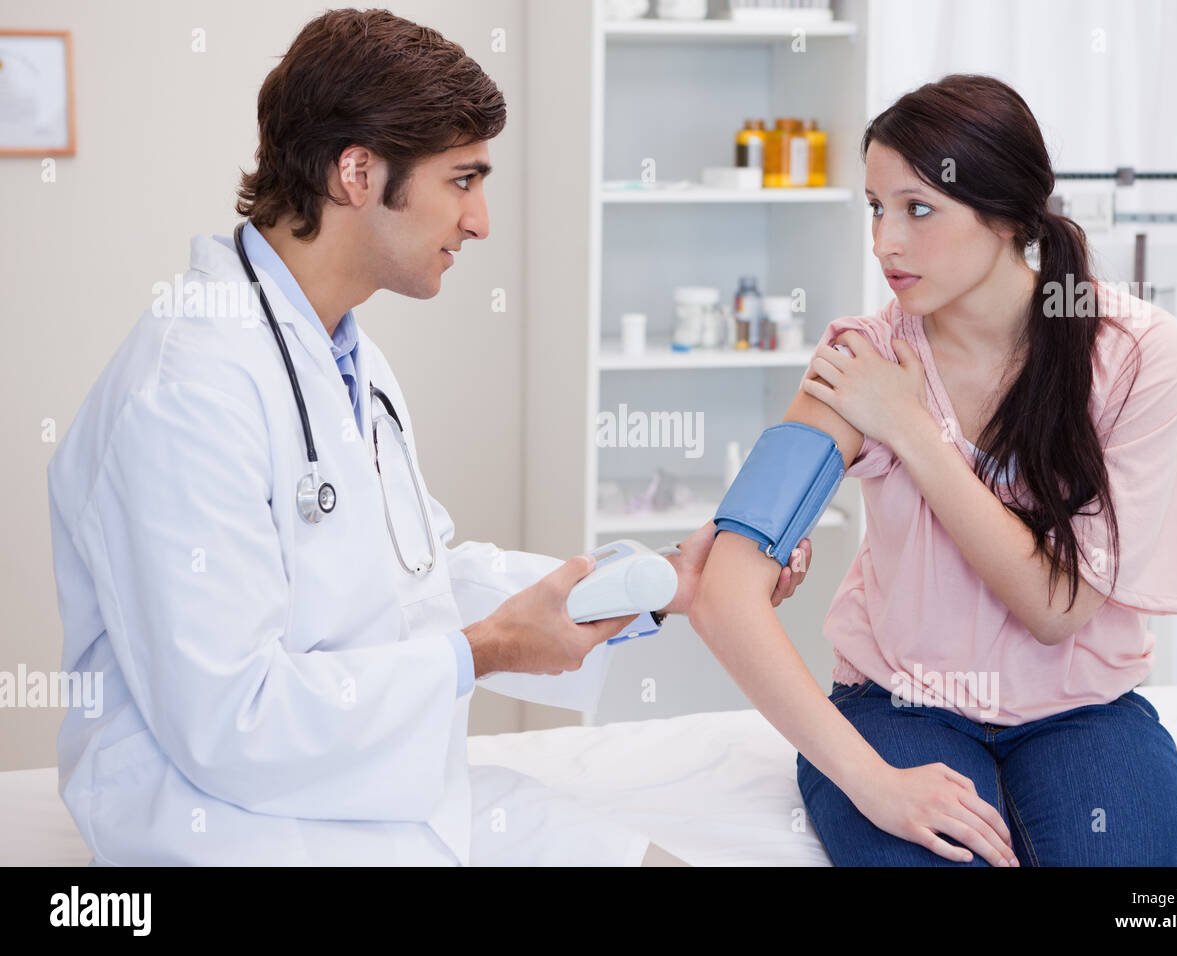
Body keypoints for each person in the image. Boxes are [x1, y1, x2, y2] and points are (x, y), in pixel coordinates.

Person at [45, 8, 810, 867]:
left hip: (367, 783)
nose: (480, 220)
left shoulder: (340, 352)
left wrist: (661, 582)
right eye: (462, 179)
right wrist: (485, 651)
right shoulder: (187, 392)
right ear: (357, 174)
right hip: (236, 819)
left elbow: (419, 581)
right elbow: (232, 721)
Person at [690, 74, 1177, 866]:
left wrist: (909, 427)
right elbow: (724, 591)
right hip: (898, 707)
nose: (885, 242)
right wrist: (871, 781)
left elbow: (1057, 608)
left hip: (1081, 711)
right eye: (875, 207)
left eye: (918, 208)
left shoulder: (1136, 356)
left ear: (1006, 216)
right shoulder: (857, 359)